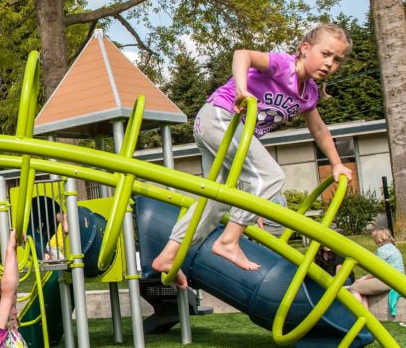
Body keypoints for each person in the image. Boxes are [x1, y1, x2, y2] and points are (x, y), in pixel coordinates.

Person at [151, 24, 353, 288]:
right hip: (221, 118)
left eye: (337, 59)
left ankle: (168, 256)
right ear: (305, 49)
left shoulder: (309, 94)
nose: (329, 63)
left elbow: (319, 129)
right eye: (325, 53)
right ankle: (229, 241)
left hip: (223, 129)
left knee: (218, 199)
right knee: (270, 176)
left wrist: (337, 164)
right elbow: (241, 54)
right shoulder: (283, 65)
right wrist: (242, 89)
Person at [349, 228, 404, 320]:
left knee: (354, 288)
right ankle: (367, 317)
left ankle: (361, 317)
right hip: (395, 279)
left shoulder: (382, 251)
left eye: (374, 237)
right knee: (361, 289)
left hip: (388, 281)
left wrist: (363, 279)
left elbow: (375, 271)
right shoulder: (392, 247)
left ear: (378, 238)